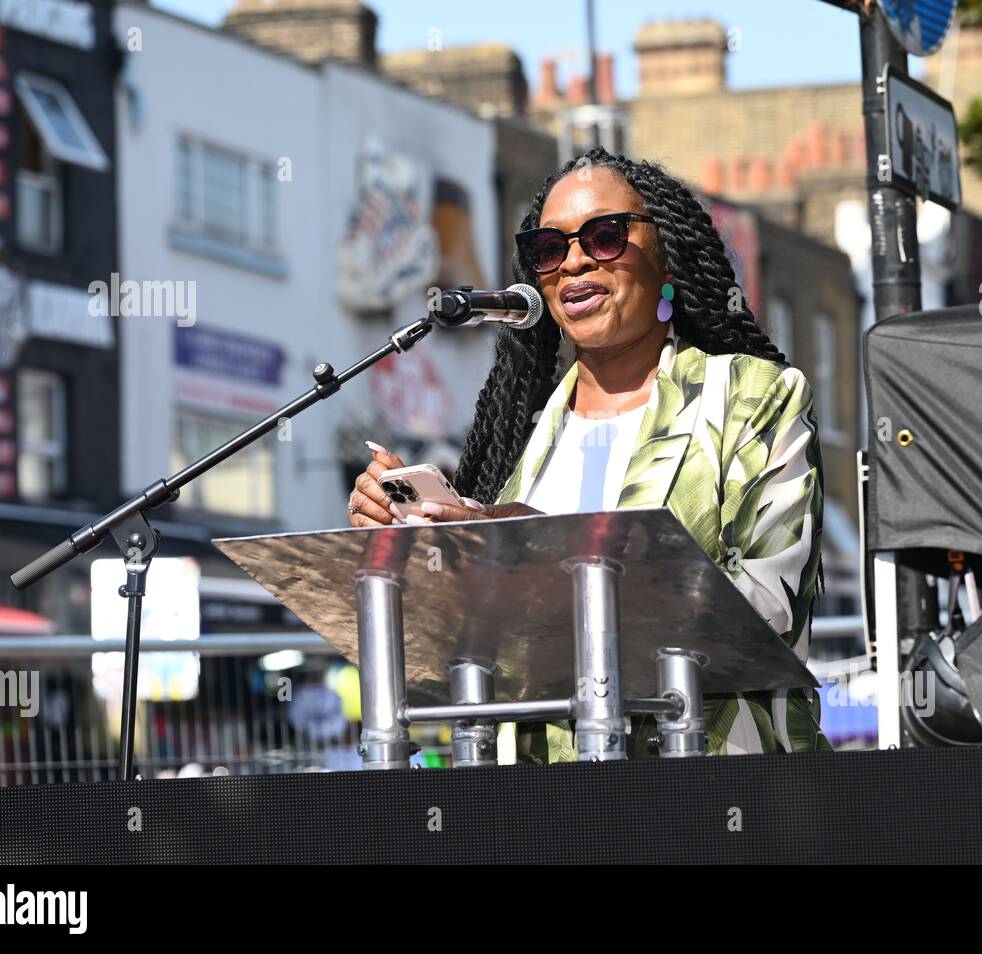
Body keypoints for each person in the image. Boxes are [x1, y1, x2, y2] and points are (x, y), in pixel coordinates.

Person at [349, 147, 829, 760]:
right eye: (549, 248)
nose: (573, 260)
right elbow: (465, 643)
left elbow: (764, 612)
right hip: (537, 804)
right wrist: (410, 543)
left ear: (666, 258)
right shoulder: (520, 433)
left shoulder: (753, 398)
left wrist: (536, 545)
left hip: (711, 790)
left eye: (604, 236)